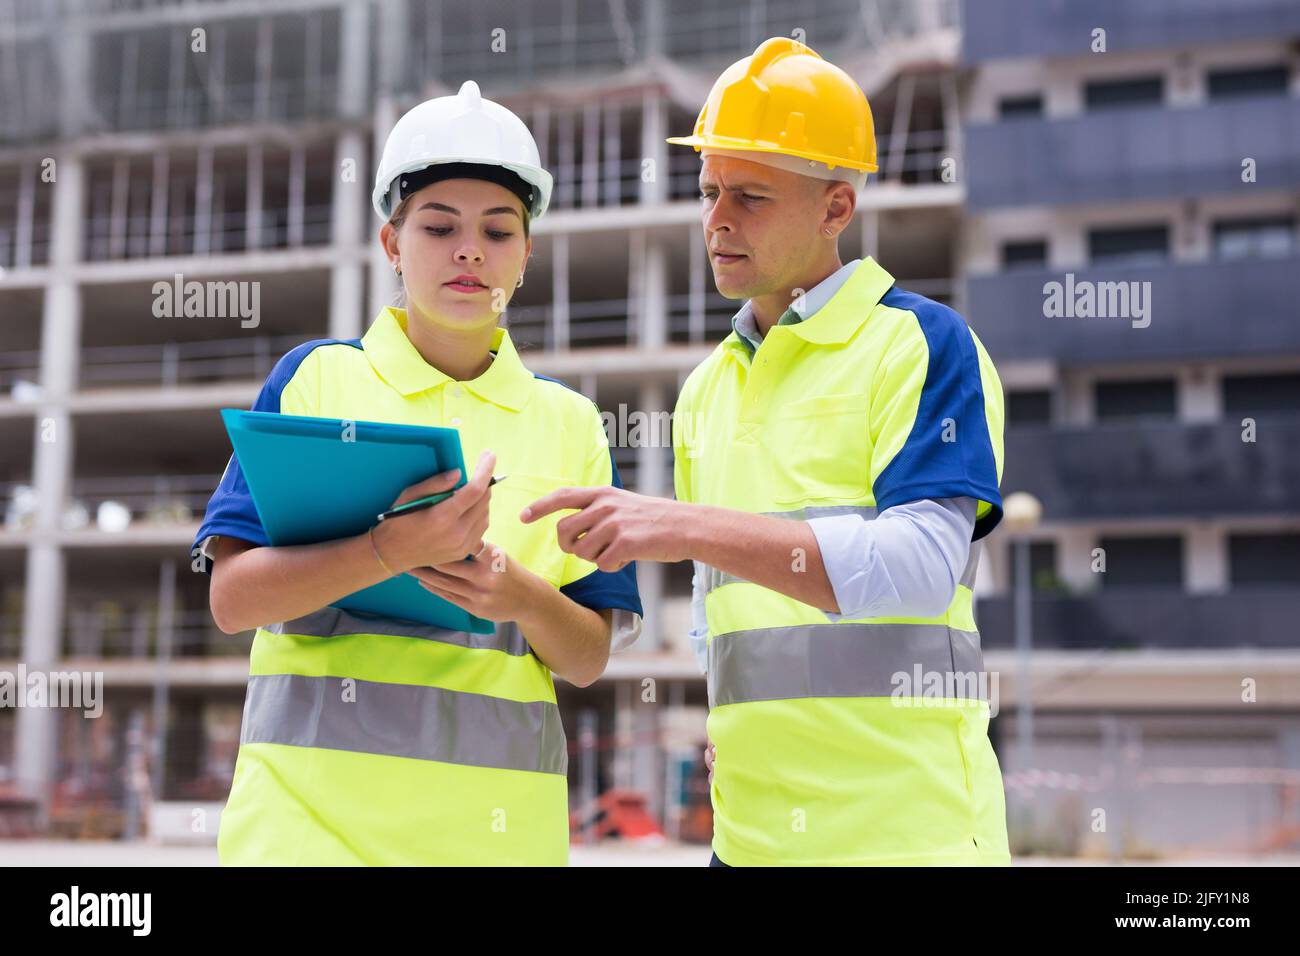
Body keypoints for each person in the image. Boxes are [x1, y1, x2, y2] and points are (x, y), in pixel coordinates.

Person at [522, 38, 1010, 866]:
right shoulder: (706, 389)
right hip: (750, 843)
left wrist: (681, 527)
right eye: (709, 189)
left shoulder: (922, 346)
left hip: (906, 839)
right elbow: (731, 624)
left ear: (835, 209)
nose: (717, 219)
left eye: (750, 196)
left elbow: (922, 566)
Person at [191, 80, 642, 865]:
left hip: (498, 844)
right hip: (307, 839)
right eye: (439, 227)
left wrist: (519, 594)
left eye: (499, 232)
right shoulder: (316, 382)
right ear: (392, 244)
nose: (470, 250)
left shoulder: (570, 424)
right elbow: (231, 601)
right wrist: (387, 552)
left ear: (527, 256)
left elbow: (588, 657)